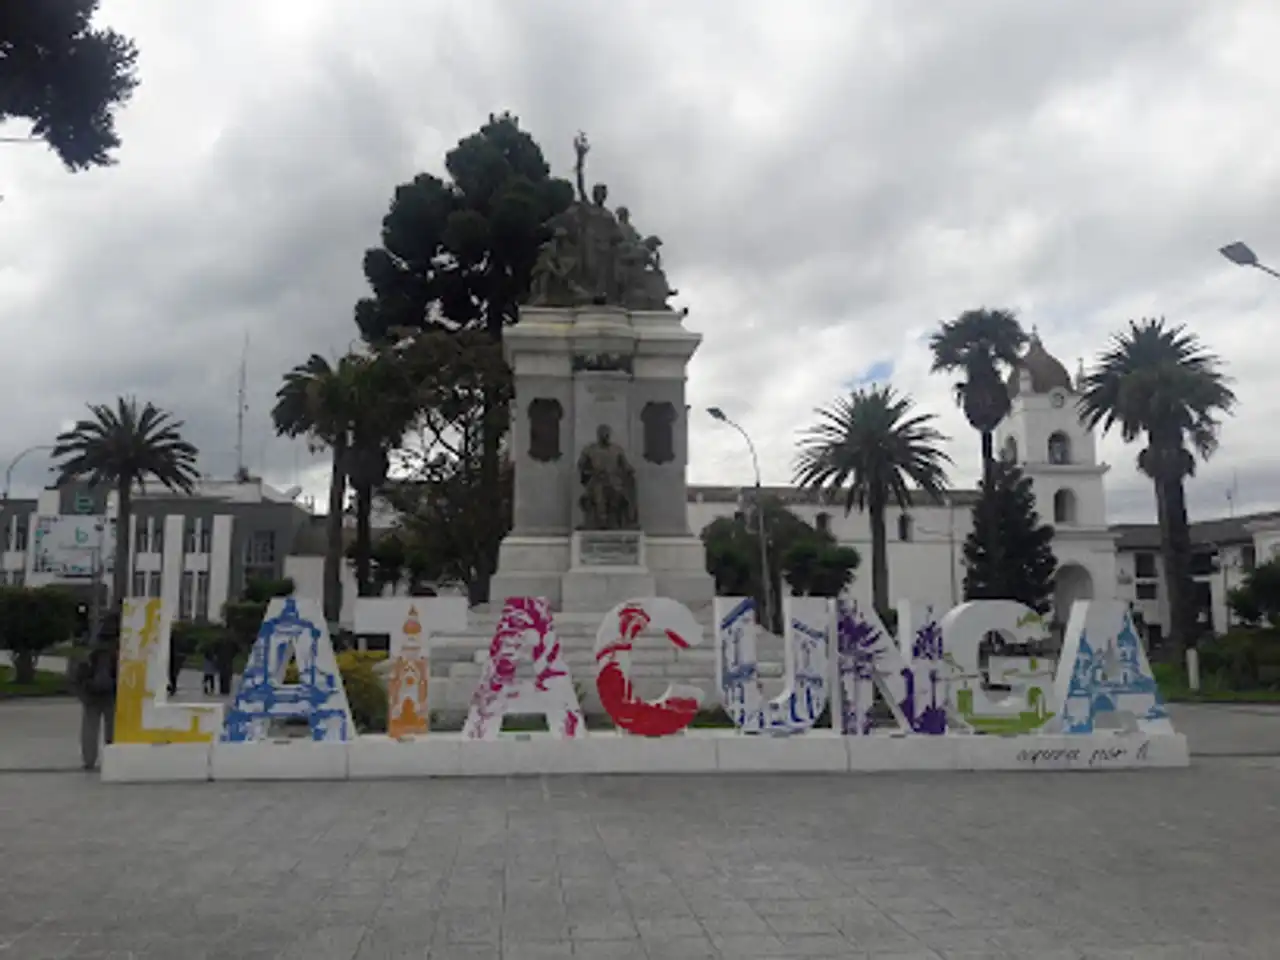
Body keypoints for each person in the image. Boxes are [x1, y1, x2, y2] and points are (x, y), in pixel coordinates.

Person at [73, 632, 119, 771]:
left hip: (90, 697)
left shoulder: (86, 654)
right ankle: (112, 758)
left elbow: (75, 676)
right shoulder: (116, 654)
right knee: (112, 728)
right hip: (111, 696)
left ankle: (89, 760)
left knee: (90, 729)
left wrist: (82, 693)